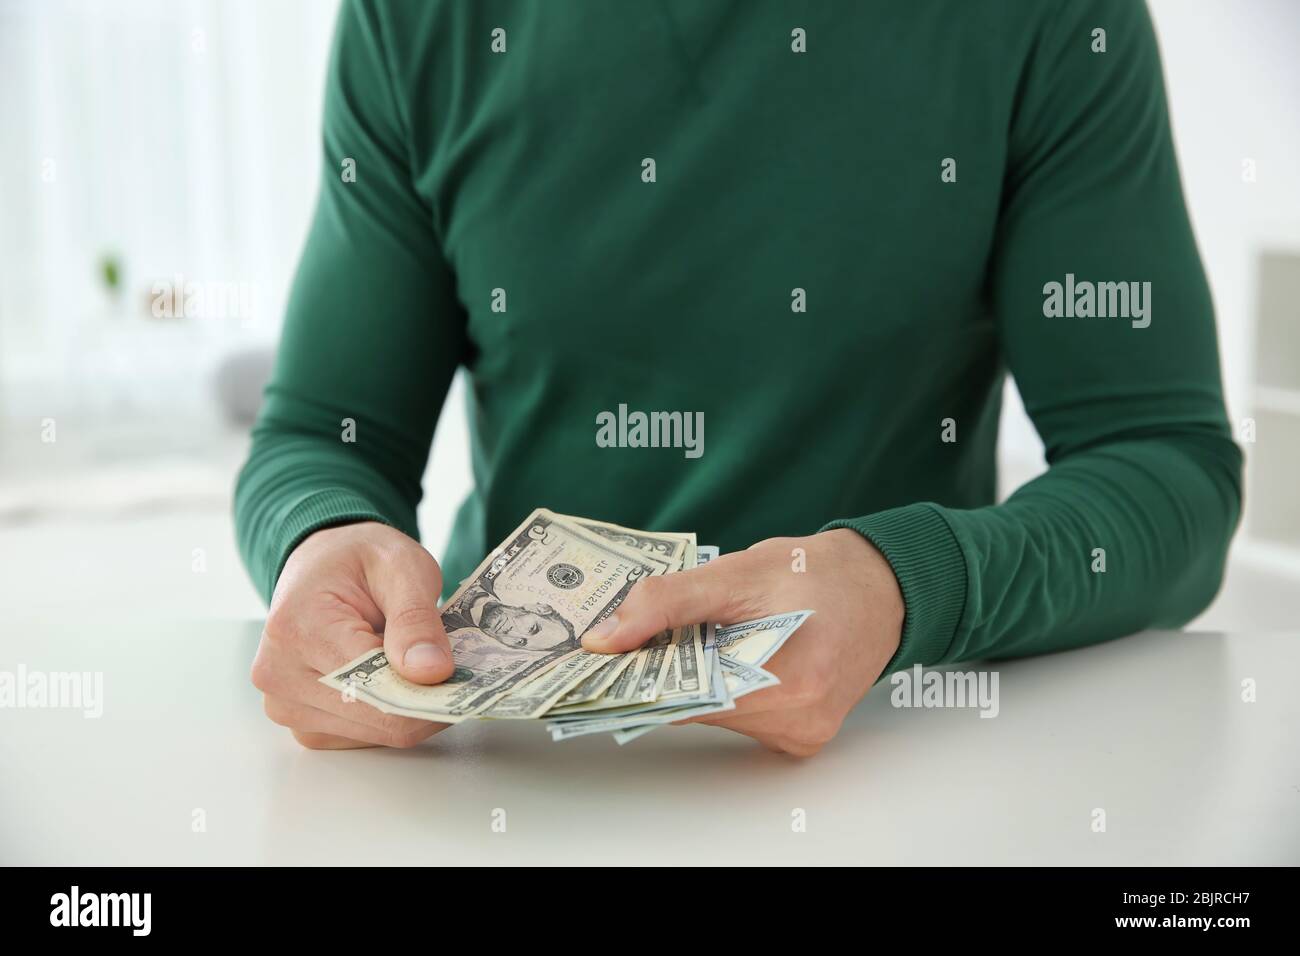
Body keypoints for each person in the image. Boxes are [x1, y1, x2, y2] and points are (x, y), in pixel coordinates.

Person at [239, 0, 1241, 755]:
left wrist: (907, 582)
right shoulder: (419, 18)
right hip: (501, 763)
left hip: (895, 745)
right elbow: (325, 436)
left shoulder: (1049, 19)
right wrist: (322, 534)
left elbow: (1166, 464)